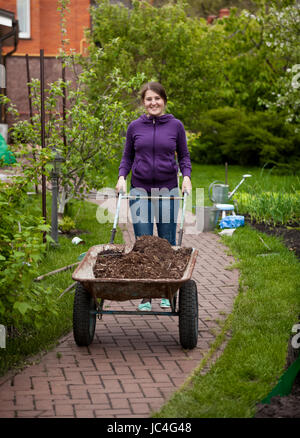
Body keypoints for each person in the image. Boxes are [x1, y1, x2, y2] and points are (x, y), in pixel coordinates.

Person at [115, 82, 192, 311]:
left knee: (167, 242)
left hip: (168, 190)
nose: (153, 103)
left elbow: (184, 157)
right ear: (143, 102)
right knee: (145, 242)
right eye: (149, 99)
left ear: (164, 101)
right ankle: (147, 294)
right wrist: (121, 177)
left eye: (157, 98)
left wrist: (186, 176)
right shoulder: (134, 127)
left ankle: (167, 291)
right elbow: (127, 157)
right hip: (140, 190)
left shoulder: (176, 126)